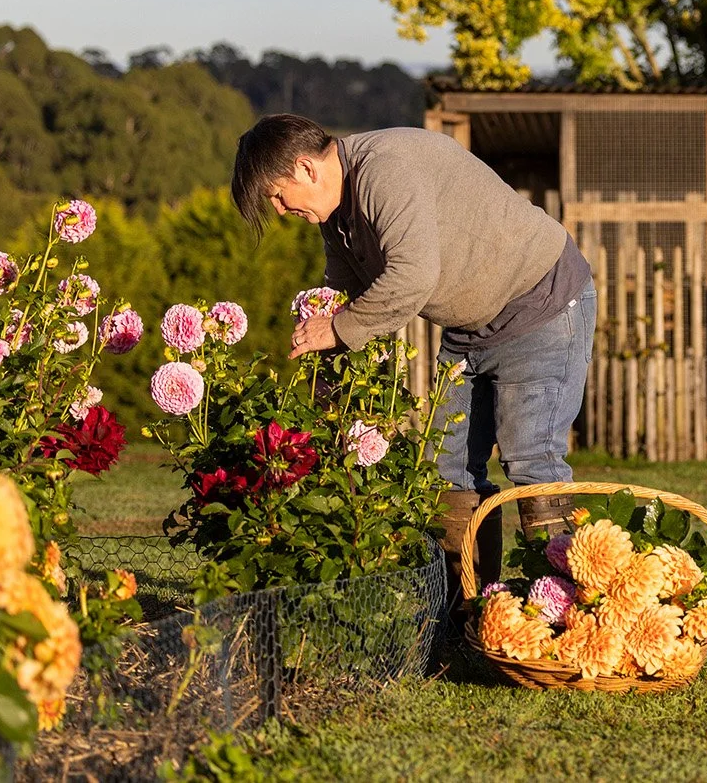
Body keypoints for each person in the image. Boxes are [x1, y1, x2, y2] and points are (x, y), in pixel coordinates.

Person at [230, 113, 595, 601]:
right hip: (470, 331)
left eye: (278, 195)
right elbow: (345, 289)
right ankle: (469, 609)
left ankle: (569, 613)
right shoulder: (339, 214)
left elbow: (412, 277)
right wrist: (329, 367)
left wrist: (337, 328)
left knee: (532, 460)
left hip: (540, 304)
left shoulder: (384, 170)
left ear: (306, 169)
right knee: (446, 467)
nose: (279, 209)